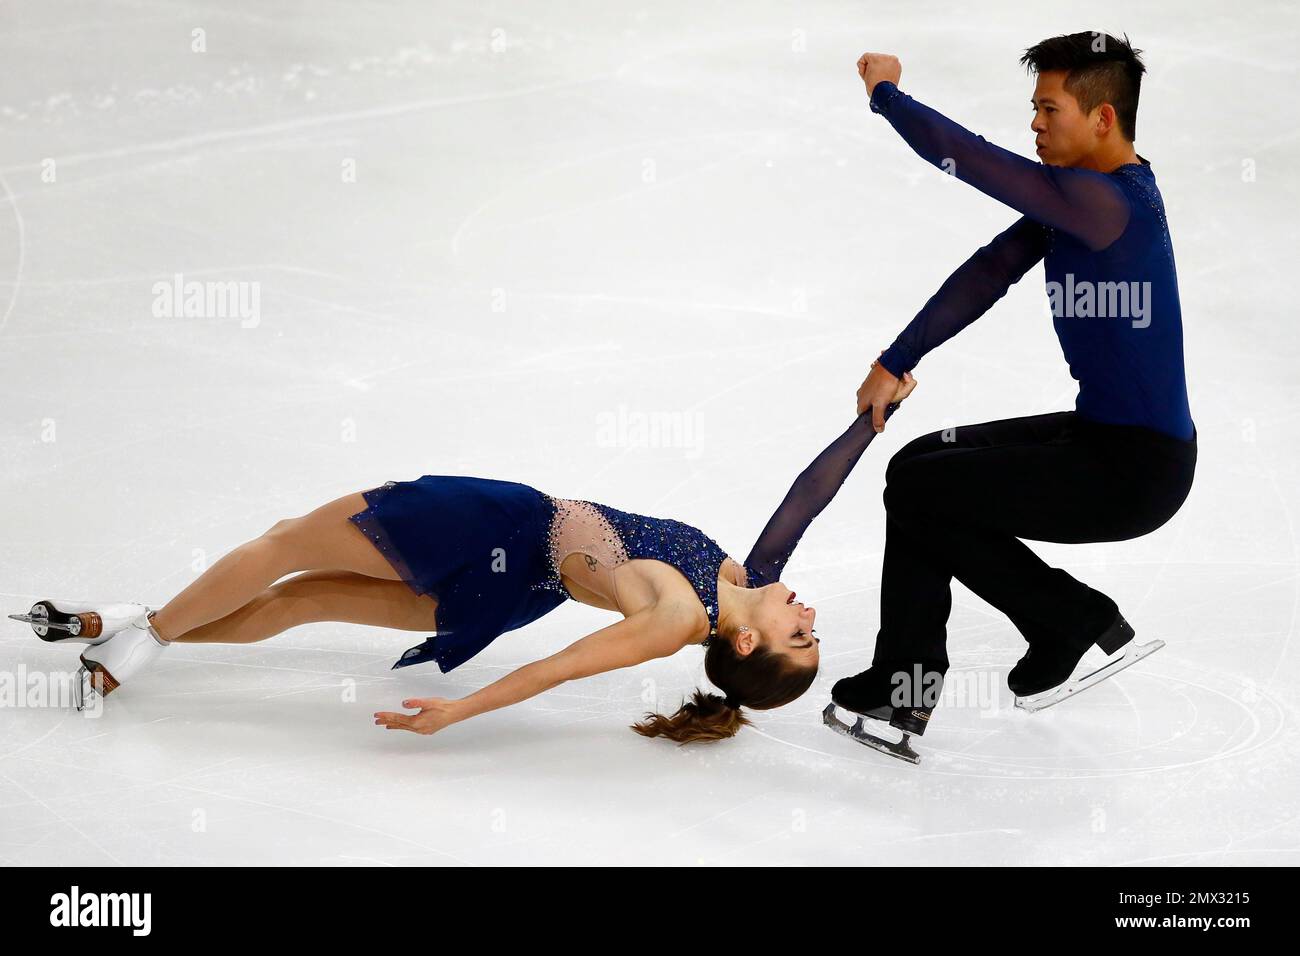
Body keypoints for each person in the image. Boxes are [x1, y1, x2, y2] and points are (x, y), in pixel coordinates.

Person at [14, 376, 916, 743]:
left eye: (803, 639)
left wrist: (459, 712)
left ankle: (142, 636)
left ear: (752, 648)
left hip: (500, 530)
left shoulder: (679, 619)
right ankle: (122, 625)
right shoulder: (738, 582)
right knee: (298, 600)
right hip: (510, 586)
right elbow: (812, 492)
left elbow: (564, 667)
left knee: (290, 549)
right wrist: (871, 419)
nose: (809, 619)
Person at [831, 33, 1197, 762]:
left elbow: (973, 161)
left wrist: (887, 96)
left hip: (1136, 472)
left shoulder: (1106, 203)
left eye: (1048, 108)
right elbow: (990, 269)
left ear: (1102, 119)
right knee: (918, 467)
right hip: (1101, 437)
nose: (1034, 123)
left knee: (924, 495)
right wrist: (894, 359)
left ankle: (1050, 626)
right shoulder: (1081, 199)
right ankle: (935, 673)